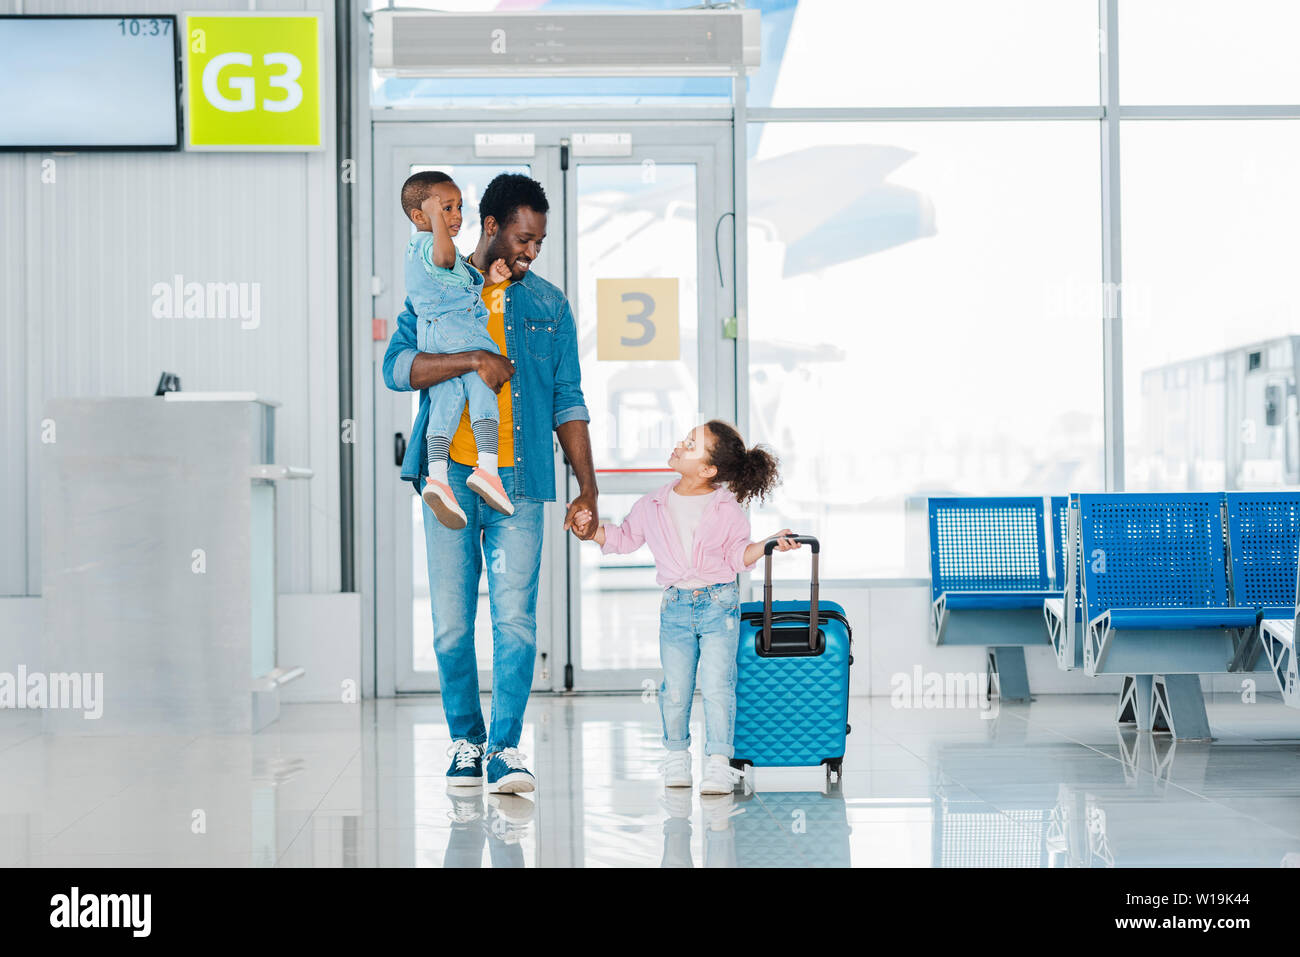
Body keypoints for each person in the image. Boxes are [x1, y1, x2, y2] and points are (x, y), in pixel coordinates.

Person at [383, 173, 599, 795]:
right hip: (447, 479)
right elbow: (398, 368)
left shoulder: (549, 306)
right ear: (490, 227)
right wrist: (473, 360)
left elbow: (568, 398)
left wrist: (586, 487)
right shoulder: (435, 289)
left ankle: (504, 749)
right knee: (451, 624)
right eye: (523, 239)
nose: (531, 253)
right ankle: (466, 740)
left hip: (519, 484)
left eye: (539, 242)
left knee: (516, 623)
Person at [570, 421, 800, 794]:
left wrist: (768, 543)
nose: (680, 443)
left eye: (691, 444)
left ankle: (718, 762)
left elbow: (738, 557)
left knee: (717, 685)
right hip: (675, 608)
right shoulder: (653, 502)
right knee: (675, 688)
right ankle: (677, 756)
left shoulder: (727, 508)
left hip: (720, 606)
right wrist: (592, 529)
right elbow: (624, 539)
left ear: (708, 470)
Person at [400, 170, 514, 527]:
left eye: (459, 207)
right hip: (460, 336)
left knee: (446, 403)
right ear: (419, 216)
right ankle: (488, 468)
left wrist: (488, 280)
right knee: (484, 387)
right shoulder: (426, 243)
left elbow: (456, 283)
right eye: (446, 207)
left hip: (438, 339)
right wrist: (437, 223)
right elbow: (447, 261)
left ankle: (437, 476)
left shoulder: (430, 252)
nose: (456, 216)